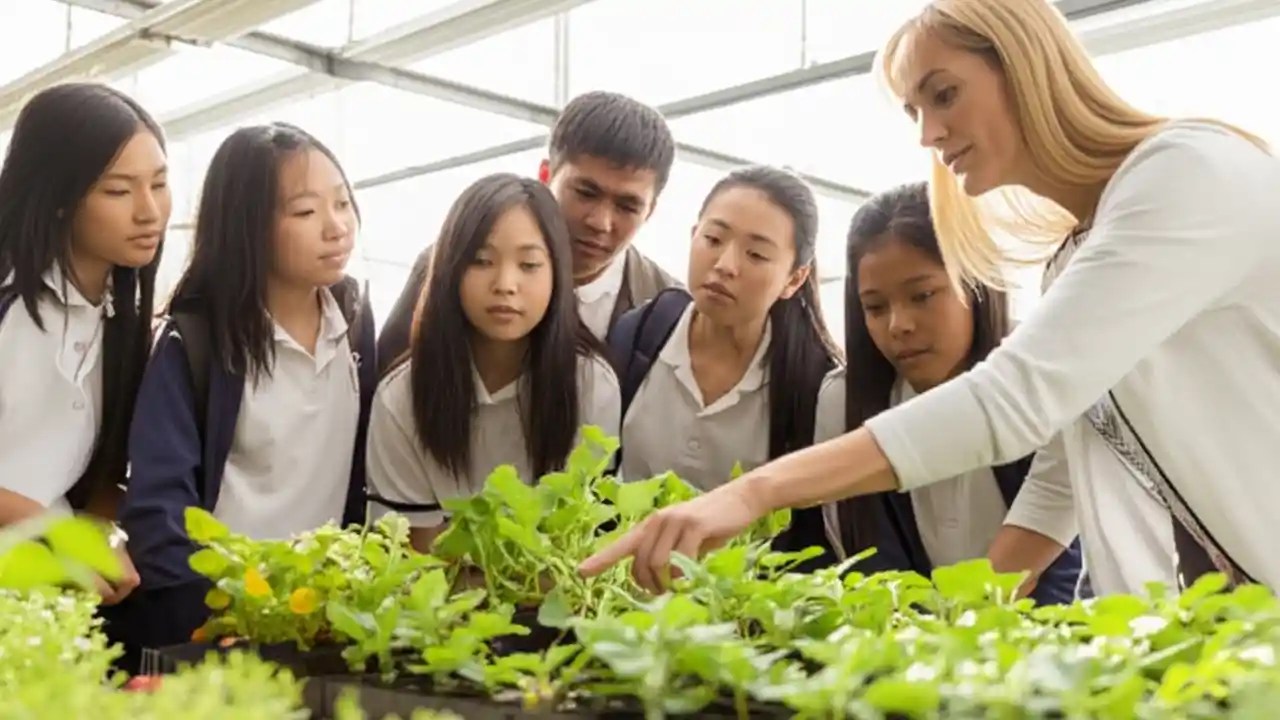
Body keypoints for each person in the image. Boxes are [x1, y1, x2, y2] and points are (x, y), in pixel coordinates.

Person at [579, 0, 1279, 595]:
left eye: (944, 94)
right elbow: (1061, 479)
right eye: (915, 109)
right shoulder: (1076, 258)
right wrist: (960, 625)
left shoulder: (1187, 174)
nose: (928, 134)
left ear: (1025, 64)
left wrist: (752, 491)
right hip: (1208, 640)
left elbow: (1009, 403)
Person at [116, 123, 374, 651]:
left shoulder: (354, 319)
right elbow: (157, 510)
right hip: (219, 626)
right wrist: (219, 612)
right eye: (305, 212)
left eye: (343, 203)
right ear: (247, 226)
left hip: (316, 623)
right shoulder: (193, 344)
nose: (336, 227)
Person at [816, 182, 1091, 603]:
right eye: (875, 307)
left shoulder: (1040, 375)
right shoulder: (842, 401)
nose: (898, 325)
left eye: (922, 295)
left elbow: (1068, 566)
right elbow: (869, 571)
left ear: (976, 277)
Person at [365, 173, 621, 553]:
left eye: (529, 265)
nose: (505, 283)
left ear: (558, 274)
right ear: (449, 269)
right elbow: (415, 558)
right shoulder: (402, 395)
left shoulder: (591, 383)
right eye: (482, 261)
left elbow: (578, 548)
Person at [611, 165, 841, 563]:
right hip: (617, 596)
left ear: (794, 279)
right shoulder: (639, 337)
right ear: (692, 236)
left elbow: (813, 540)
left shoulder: (815, 387)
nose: (725, 264)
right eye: (713, 239)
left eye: (756, 254)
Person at [0, 83, 170, 605]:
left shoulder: (123, 322)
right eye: (118, 191)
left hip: (41, 602)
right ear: (56, 199)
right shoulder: (10, 305)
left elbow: (100, 476)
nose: (149, 212)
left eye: (160, 184)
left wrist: (101, 534)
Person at [376, 91, 679, 374]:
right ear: (546, 175)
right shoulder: (449, 264)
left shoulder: (669, 312)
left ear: (650, 211)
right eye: (586, 193)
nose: (600, 222)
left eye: (627, 207)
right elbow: (389, 380)